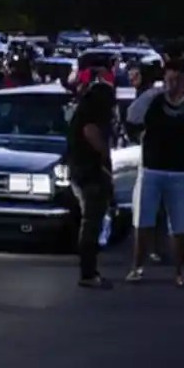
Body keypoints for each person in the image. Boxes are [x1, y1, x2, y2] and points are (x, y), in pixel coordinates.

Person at [125, 58, 184, 288]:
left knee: (180, 225)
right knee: (143, 221)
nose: (173, 84)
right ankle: (137, 267)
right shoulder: (154, 99)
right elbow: (132, 115)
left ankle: (180, 271)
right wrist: (151, 95)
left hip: (180, 171)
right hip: (152, 168)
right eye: (169, 78)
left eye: (178, 79)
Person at [66, 81, 117, 289]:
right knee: (91, 224)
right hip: (90, 176)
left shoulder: (79, 116)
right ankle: (88, 272)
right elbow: (97, 144)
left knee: (90, 223)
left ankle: (89, 270)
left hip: (80, 174)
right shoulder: (90, 120)